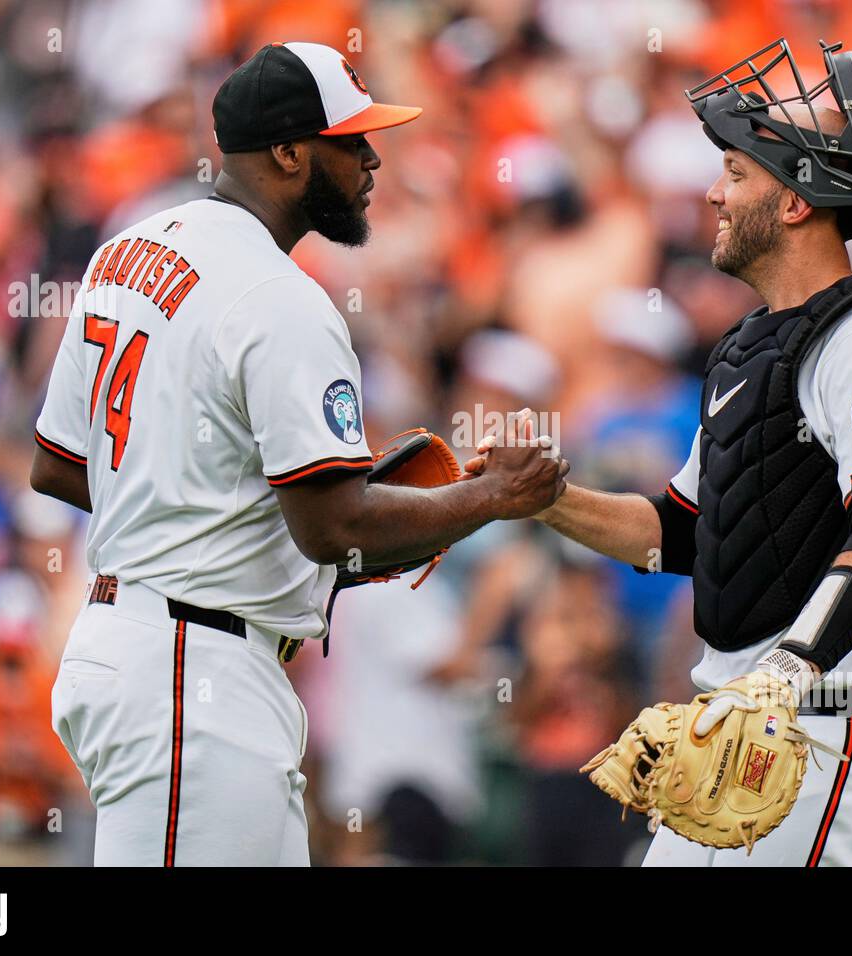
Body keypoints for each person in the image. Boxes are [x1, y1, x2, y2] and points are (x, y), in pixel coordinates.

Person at [29, 42, 567, 866]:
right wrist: (492, 497)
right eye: (350, 142)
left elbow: (62, 464)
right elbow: (334, 525)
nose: (372, 159)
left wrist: (225, 504)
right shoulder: (281, 300)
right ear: (287, 153)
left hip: (155, 649)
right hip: (191, 672)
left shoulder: (126, 250)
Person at [478, 38, 852, 866]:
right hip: (735, 735)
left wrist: (785, 672)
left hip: (829, 745)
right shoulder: (747, 350)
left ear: (799, 202)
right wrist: (548, 499)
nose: (712, 192)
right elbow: (680, 533)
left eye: (736, 174)